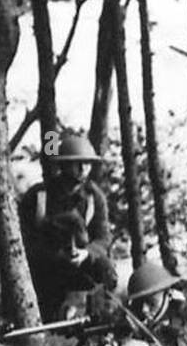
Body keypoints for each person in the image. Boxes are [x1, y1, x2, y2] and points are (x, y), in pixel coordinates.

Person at [19, 132, 117, 322]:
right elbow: (24, 240)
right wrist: (53, 255)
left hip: (81, 267)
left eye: (87, 164)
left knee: (106, 271)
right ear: (63, 164)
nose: (83, 169)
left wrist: (86, 253)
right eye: (76, 163)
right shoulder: (38, 196)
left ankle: (100, 320)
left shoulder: (94, 197)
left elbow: (103, 237)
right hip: (45, 268)